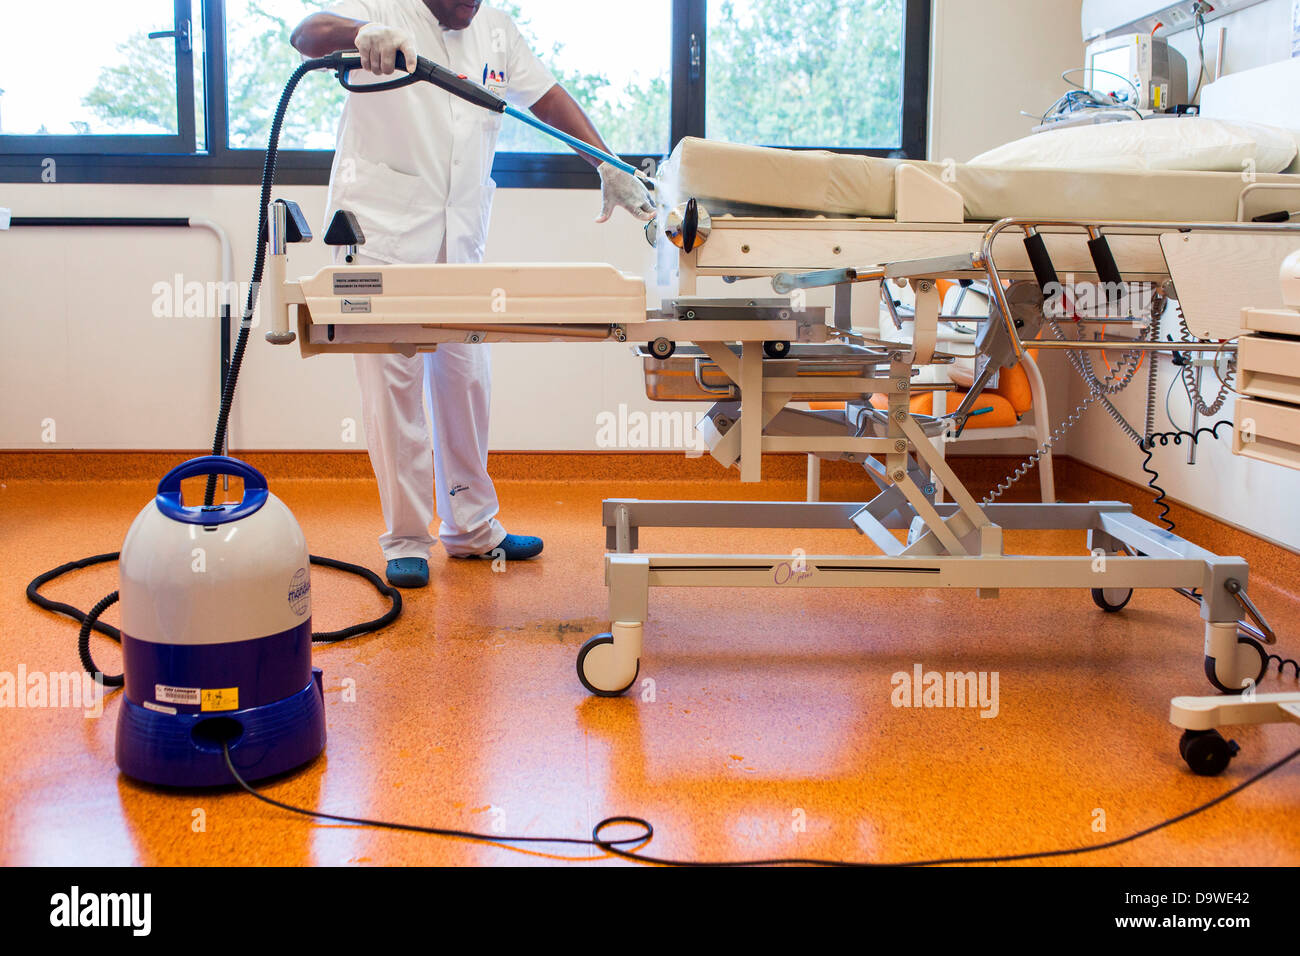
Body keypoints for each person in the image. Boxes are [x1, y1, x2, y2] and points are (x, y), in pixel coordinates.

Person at [290, 1, 656, 588]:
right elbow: (306, 33)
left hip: (458, 236)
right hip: (382, 233)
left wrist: (606, 163)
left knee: (465, 378)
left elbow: (549, 98)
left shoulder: (495, 30)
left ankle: (472, 527)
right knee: (394, 388)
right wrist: (364, 35)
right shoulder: (380, 8)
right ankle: (407, 537)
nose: (472, 7)